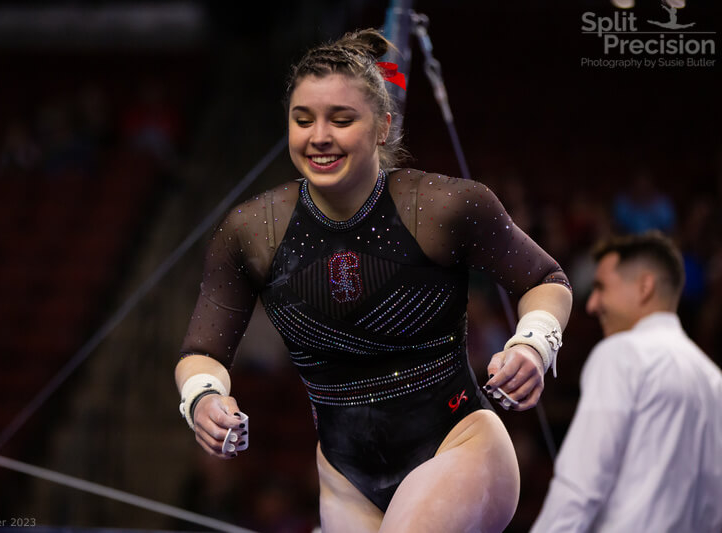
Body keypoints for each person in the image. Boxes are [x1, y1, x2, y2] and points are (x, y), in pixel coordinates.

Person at [175, 29, 573, 532]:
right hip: (345, 479)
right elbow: (202, 352)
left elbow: (545, 278)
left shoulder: (442, 206)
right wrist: (205, 397)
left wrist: (534, 344)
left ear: (383, 126)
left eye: (341, 119)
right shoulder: (252, 231)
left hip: (460, 448)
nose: (319, 135)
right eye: (304, 120)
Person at [531, 232, 722, 533]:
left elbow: (579, 486)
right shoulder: (714, 378)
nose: (592, 305)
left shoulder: (621, 354)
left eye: (601, 288)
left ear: (645, 287)